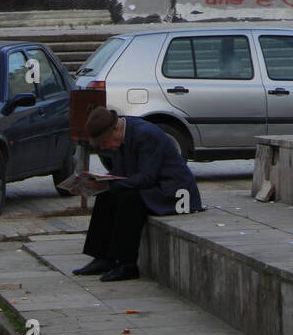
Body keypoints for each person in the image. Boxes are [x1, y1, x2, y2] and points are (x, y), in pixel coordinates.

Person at [73, 107, 204, 281]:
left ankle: (127, 264)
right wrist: (100, 184)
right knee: (106, 196)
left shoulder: (145, 135)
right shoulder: (122, 135)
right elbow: (121, 173)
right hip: (153, 185)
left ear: (116, 129)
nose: (104, 147)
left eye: (105, 141)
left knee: (130, 199)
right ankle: (102, 257)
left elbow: (146, 177)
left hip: (173, 192)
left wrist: (113, 184)